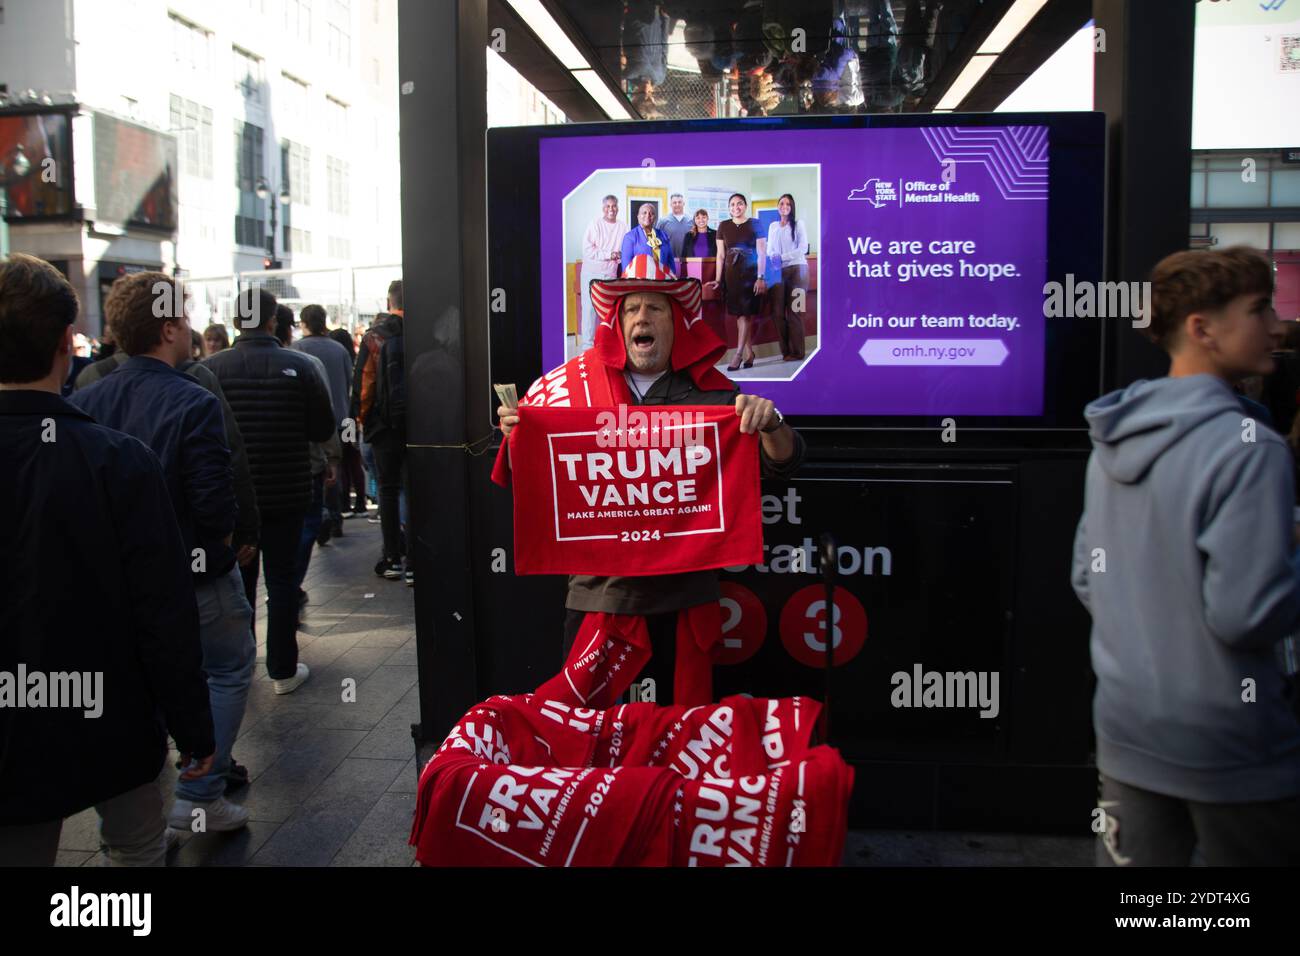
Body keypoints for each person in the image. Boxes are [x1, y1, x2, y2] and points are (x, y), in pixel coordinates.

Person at [1071, 245, 1300, 866]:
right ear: (1201, 328)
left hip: (1125, 727)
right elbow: (1246, 614)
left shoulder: (1114, 436)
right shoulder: (1251, 449)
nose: (1276, 327)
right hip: (1232, 744)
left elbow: (1088, 577)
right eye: (1259, 309)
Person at [497, 254, 803, 703]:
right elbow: (520, 476)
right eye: (631, 309)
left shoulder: (716, 395)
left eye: (655, 308)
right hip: (597, 603)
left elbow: (784, 464)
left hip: (683, 604)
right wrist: (516, 434)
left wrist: (772, 422)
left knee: (678, 740)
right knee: (589, 739)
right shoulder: (568, 394)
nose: (642, 317)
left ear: (676, 321)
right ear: (618, 326)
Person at [0, 254, 214, 865]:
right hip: (112, 720)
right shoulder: (117, 461)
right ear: (68, 343)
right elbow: (163, 611)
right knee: (137, 850)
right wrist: (194, 727)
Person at [71, 272, 254, 833]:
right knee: (228, 666)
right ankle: (199, 791)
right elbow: (213, 503)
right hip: (193, 576)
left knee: (143, 682)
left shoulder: (85, 399)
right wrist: (220, 548)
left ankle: (145, 814)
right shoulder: (192, 401)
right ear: (170, 327)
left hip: (117, 584)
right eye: (186, 318)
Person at [205, 288, 335, 694]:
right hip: (289, 493)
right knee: (282, 581)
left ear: (234, 322)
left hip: (235, 499)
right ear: (273, 320)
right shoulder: (299, 366)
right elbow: (322, 429)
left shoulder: (210, 371)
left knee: (240, 582)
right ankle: (282, 669)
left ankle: (240, 666)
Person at [353, 281, 408, 582]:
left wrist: (364, 421)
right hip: (418, 425)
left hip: (384, 426)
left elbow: (364, 384)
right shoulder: (423, 331)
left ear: (389, 301)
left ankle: (391, 557)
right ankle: (415, 560)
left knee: (387, 490)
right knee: (414, 488)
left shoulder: (375, 336)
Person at [294, 304, 353, 539]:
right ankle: (336, 516)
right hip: (340, 418)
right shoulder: (340, 350)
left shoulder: (296, 349)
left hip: (312, 424)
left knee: (318, 469)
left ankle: (322, 518)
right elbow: (350, 383)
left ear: (304, 323)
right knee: (337, 467)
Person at [707, 192, 767, 370]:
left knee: (745, 314)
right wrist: (718, 279)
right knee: (740, 315)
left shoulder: (755, 224)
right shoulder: (723, 226)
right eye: (732, 204)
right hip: (731, 275)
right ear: (729, 208)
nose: (736, 207)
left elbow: (762, 252)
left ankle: (738, 355)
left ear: (745, 206)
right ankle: (750, 353)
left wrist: (760, 277)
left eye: (739, 204)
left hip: (750, 274)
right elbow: (720, 255)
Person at [765, 193, 809, 361]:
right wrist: (773, 257)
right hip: (777, 272)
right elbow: (769, 249)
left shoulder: (798, 224)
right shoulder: (773, 226)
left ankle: (797, 352)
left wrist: (781, 257)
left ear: (792, 208)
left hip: (799, 271)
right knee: (777, 313)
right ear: (777, 206)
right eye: (781, 203)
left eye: (788, 204)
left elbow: (803, 248)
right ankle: (786, 352)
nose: (784, 206)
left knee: (796, 312)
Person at [580, 195, 623, 351]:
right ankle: (587, 349)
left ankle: (608, 346)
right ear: (603, 208)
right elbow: (587, 250)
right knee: (589, 311)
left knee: (609, 312)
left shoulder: (622, 226)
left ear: (618, 207)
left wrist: (618, 257)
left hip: (610, 275)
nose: (611, 209)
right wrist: (610, 254)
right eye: (608, 206)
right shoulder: (595, 224)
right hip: (591, 273)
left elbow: (622, 252)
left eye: (614, 206)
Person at [620, 203, 676, 279]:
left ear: (655, 217)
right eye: (644, 213)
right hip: (640, 282)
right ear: (638, 216)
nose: (648, 216)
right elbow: (626, 268)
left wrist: (672, 278)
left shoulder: (663, 235)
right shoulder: (630, 237)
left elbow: (670, 261)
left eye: (651, 213)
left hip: (663, 280)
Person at [656, 193, 693, 263]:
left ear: (683, 203)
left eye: (679, 202)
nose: (677, 204)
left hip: (687, 261)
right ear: (670, 204)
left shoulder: (691, 221)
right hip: (668, 261)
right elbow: (656, 241)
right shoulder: (663, 221)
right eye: (674, 202)